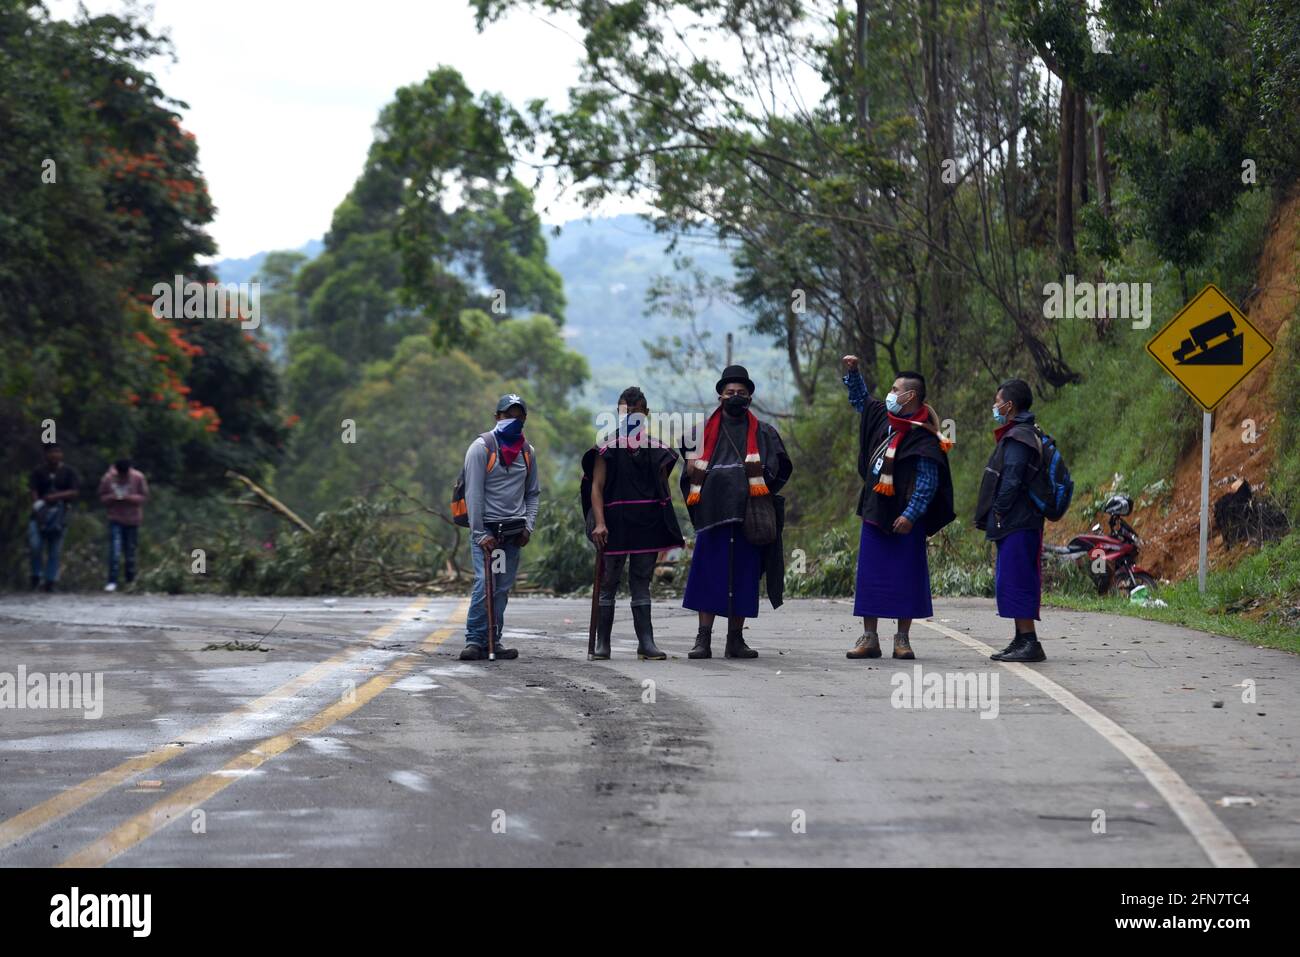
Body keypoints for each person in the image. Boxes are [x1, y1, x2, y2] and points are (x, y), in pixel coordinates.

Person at [841, 356, 956, 660]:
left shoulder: (925, 438)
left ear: (910, 397)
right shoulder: (883, 418)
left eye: (895, 390)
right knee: (871, 578)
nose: (890, 394)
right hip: (875, 512)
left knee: (906, 579)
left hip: (906, 520)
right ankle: (869, 638)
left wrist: (910, 514)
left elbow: (927, 483)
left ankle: (902, 639)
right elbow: (860, 399)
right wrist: (853, 372)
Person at [680, 364, 793, 659]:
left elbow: (781, 470)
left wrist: (759, 490)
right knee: (708, 576)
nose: (735, 397)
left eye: (741, 393)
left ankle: (735, 640)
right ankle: (702, 640)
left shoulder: (765, 433)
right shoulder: (698, 433)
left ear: (750, 398)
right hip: (713, 517)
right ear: (720, 397)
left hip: (749, 518)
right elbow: (687, 477)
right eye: (730, 392)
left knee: (744, 577)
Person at [581, 387, 685, 660]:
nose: (631, 417)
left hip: (645, 528)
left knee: (641, 582)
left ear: (646, 414)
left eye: (636, 412)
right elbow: (597, 488)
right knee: (608, 583)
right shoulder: (606, 448)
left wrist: (665, 529)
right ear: (618, 413)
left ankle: (646, 643)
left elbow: (663, 493)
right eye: (626, 412)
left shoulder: (657, 450)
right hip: (613, 528)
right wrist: (599, 523)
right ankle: (603, 643)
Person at [459, 394, 540, 661]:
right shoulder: (481, 448)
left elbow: (532, 493)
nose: (513, 420)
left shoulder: (527, 453)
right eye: (508, 415)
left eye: (518, 415)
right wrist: (480, 533)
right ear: (497, 417)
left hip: (512, 534)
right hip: (488, 533)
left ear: (525, 419)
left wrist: (528, 525)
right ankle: (475, 640)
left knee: (501, 587)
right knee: (485, 583)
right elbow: (473, 493)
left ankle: (494, 639)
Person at [975, 378, 1047, 663]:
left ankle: (1029, 641)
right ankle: (1020, 639)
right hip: (1020, 520)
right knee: (1012, 578)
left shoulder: (1019, 436)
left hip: (1019, 520)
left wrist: (999, 510)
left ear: (1009, 405)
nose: (995, 407)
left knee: (1017, 579)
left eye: (998, 402)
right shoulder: (1022, 433)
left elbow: (1013, 478)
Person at [28, 444, 79, 592]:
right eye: (51, 452)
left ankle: (50, 581)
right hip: (39, 514)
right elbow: (33, 489)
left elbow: (74, 491)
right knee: (35, 545)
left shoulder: (69, 472)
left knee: (55, 549)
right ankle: (35, 576)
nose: (54, 455)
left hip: (60, 515)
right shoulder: (38, 472)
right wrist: (38, 504)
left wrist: (55, 497)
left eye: (57, 452)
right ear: (45, 454)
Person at [98, 458, 149, 592]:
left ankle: (130, 581)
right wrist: (112, 497)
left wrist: (130, 498)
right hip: (115, 518)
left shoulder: (138, 477)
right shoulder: (108, 478)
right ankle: (112, 581)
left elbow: (144, 497)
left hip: (133, 519)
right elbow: (102, 497)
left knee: (130, 551)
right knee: (114, 551)